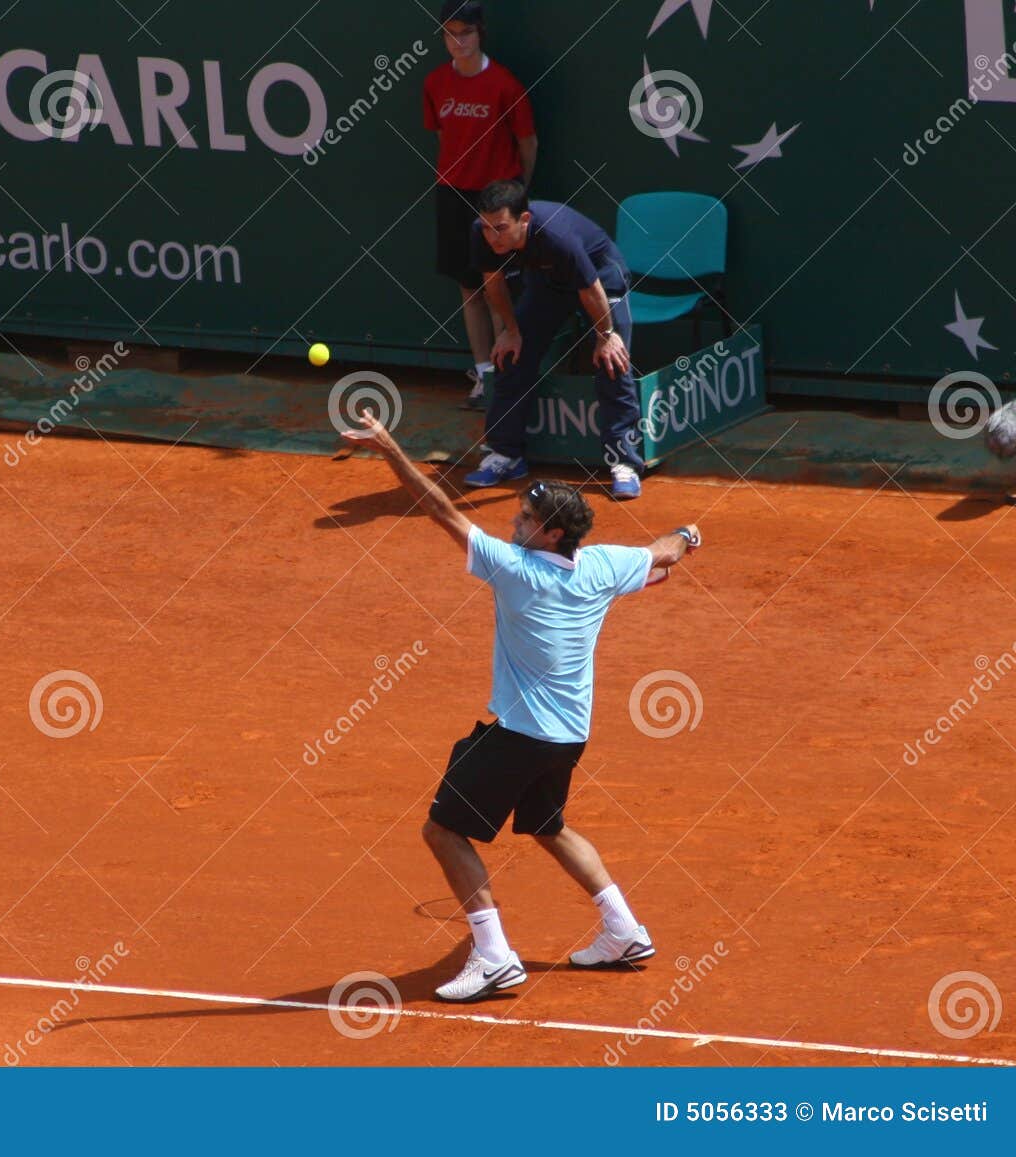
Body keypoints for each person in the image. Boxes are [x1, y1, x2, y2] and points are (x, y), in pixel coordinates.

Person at [342, 410, 701, 1001]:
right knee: (549, 827)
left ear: (552, 533)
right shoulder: (606, 563)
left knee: (444, 832)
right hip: (568, 737)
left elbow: (440, 510)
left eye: (527, 518)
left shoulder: (515, 570)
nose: (515, 521)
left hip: (520, 737)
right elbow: (662, 553)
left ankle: (493, 957)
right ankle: (624, 931)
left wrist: (387, 446)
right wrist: (687, 536)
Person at [464, 180, 646, 500]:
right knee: (511, 356)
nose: (493, 236)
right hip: (547, 284)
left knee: (612, 359)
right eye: (488, 227)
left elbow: (591, 290)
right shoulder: (483, 232)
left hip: (601, 278)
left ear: (525, 221)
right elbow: (493, 285)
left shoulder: (557, 236)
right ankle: (507, 454)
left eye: (501, 228)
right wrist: (511, 330)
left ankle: (624, 463)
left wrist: (605, 336)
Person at [424, 0, 537, 410]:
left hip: (496, 199)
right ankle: (483, 376)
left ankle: (506, 373)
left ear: (480, 33)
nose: (459, 42)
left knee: (498, 288)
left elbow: (528, 143)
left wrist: (516, 191)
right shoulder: (435, 83)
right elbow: (442, 136)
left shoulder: (505, 84)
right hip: (452, 193)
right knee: (469, 287)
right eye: (451, 34)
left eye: (466, 33)